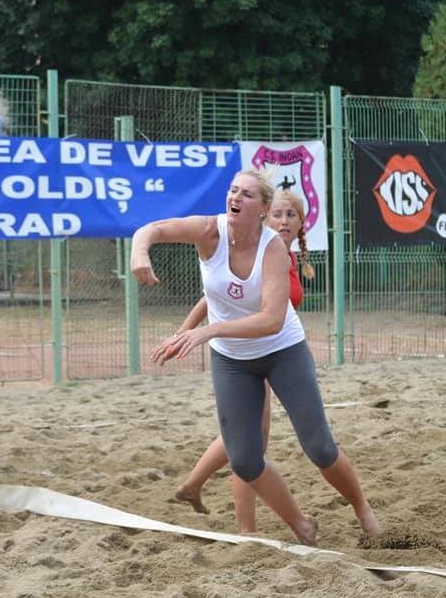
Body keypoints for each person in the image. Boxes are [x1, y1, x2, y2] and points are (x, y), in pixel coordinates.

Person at [131, 170, 380, 545]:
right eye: (233, 191)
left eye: (247, 194)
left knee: (320, 447)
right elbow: (153, 229)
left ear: (262, 209)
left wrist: (208, 330)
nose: (236, 198)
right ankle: (300, 523)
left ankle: (361, 506)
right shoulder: (208, 231)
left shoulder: (273, 249)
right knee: (245, 460)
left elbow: (271, 320)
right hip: (233, 360)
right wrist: (140, 252)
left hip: (282, 350)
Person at [172, 190, 315, 535]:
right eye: (277, 214)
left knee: (248, 438)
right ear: (264, 216)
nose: (283, 221)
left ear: (300, 225)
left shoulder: (282, 257)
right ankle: (245, 526)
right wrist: (184, 333)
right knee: (249, 442)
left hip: (272, 351)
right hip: (243, 355)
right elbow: (211, 298)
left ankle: (195, 486)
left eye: (291, 216)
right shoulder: (254, 251)